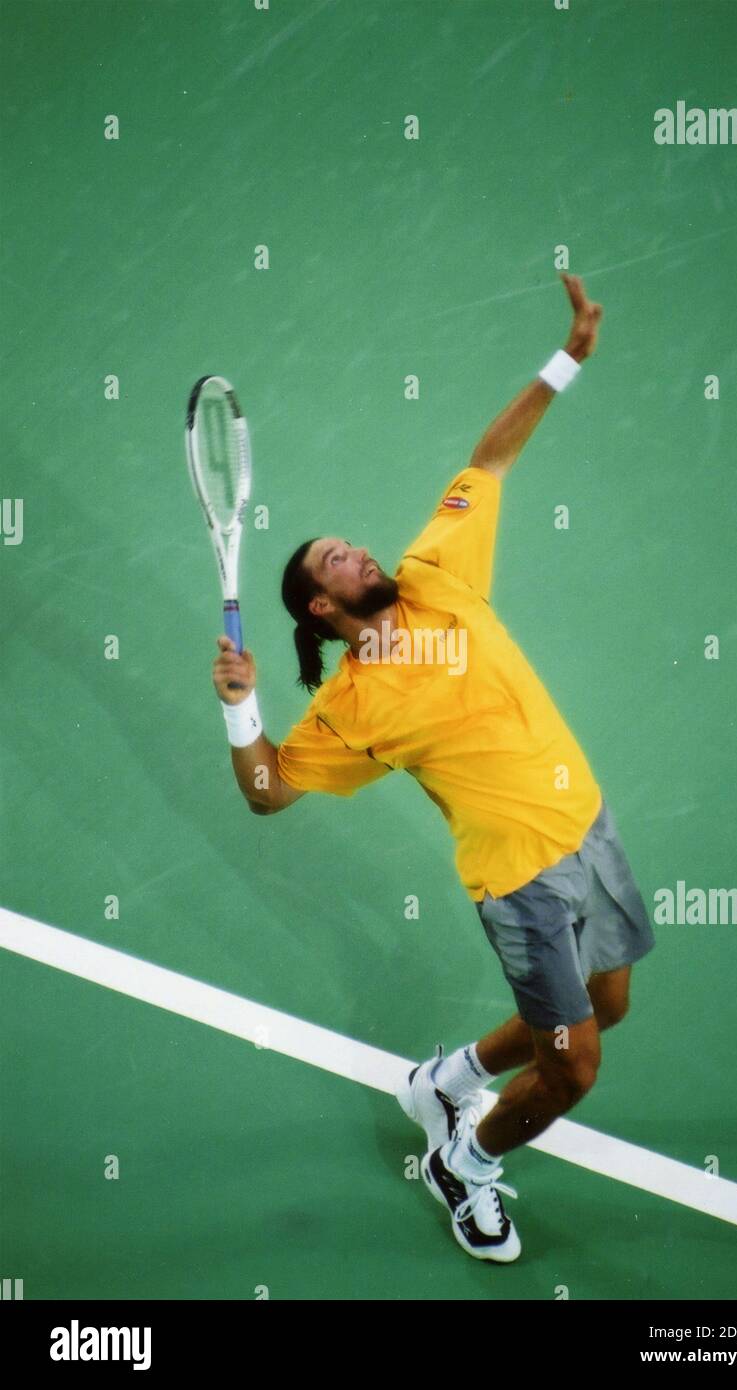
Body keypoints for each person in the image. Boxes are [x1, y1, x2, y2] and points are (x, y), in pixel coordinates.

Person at [212, 273, 655, 1263]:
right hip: (521, 880)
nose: (357, 551)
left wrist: (568, 357)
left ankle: (445, 1076)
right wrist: (241, 708)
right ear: (321, 609)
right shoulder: (351, 708)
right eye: (334, 560)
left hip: (587, 820)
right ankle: (467, 1163)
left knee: (611, 1006)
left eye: (349, 545)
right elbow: (266, 790)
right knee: (573, 1066)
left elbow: (488, 458)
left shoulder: (435, 572)